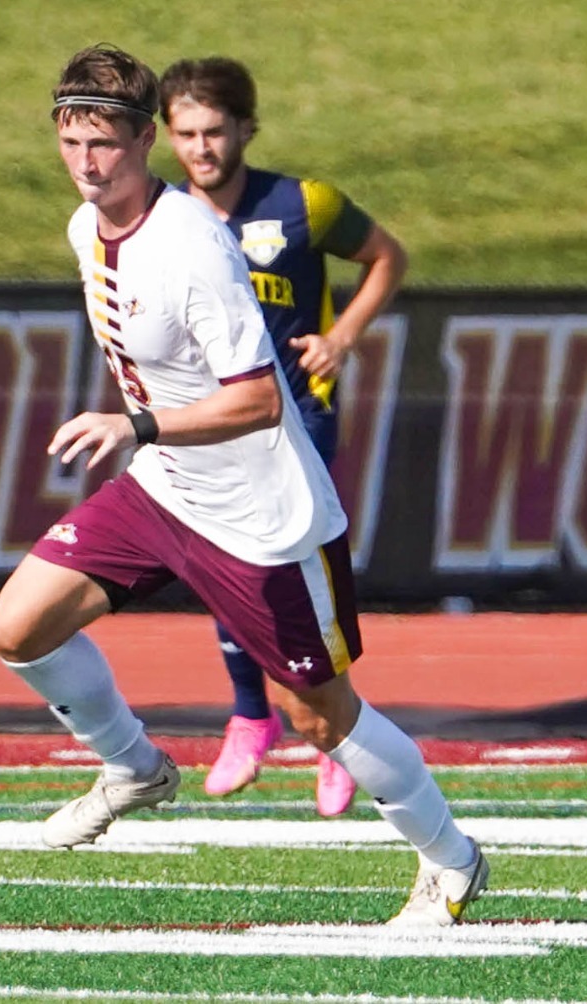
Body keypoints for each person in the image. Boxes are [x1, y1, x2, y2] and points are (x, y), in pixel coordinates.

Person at [0, 43, 487, 926]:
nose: (86, 162)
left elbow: (257, 402)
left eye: (103, 142)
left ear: (144, 142)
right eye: (70, 142)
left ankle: (452, 858)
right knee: (18, 627)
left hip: (263, 519)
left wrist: (131, 425)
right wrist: (145, 440)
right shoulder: (84, 227)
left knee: (319, 717)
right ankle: (134, 767)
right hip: (167, 487)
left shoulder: (193, 247)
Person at [157, 57, 410, 818]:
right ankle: (250, 715)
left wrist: (345, 339)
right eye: (186, 133)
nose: (202, 149)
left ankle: (336, 734)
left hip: (300, 415)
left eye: (215, 131)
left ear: (245, 129)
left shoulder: (302, 203)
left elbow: (386, 257)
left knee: (296, 572)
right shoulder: (164, 215)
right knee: (218, 566)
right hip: (209, 421)